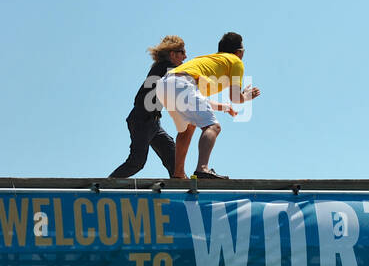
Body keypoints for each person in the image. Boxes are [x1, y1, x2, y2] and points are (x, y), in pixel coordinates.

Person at [157, 31, 261, 180]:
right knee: (213, 127)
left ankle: (178, 174)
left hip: (165, 85)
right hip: (182, 83)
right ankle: (202, 169)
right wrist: (246, 96)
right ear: (239, 52)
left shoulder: (210, 61)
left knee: (187, 128)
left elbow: (197, 99)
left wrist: (224, 107)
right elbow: (235, 97)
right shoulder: (235, 61)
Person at [108, 35, 186, 178]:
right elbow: (188, 74)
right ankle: (107, 186)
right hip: (143, 120)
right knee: (137, 162)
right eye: (182, 52)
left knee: (173, 157)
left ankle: (180, 186)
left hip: (153, 122)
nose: (185, 56)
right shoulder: (167, 67)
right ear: (172, 54)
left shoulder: (164, 68)